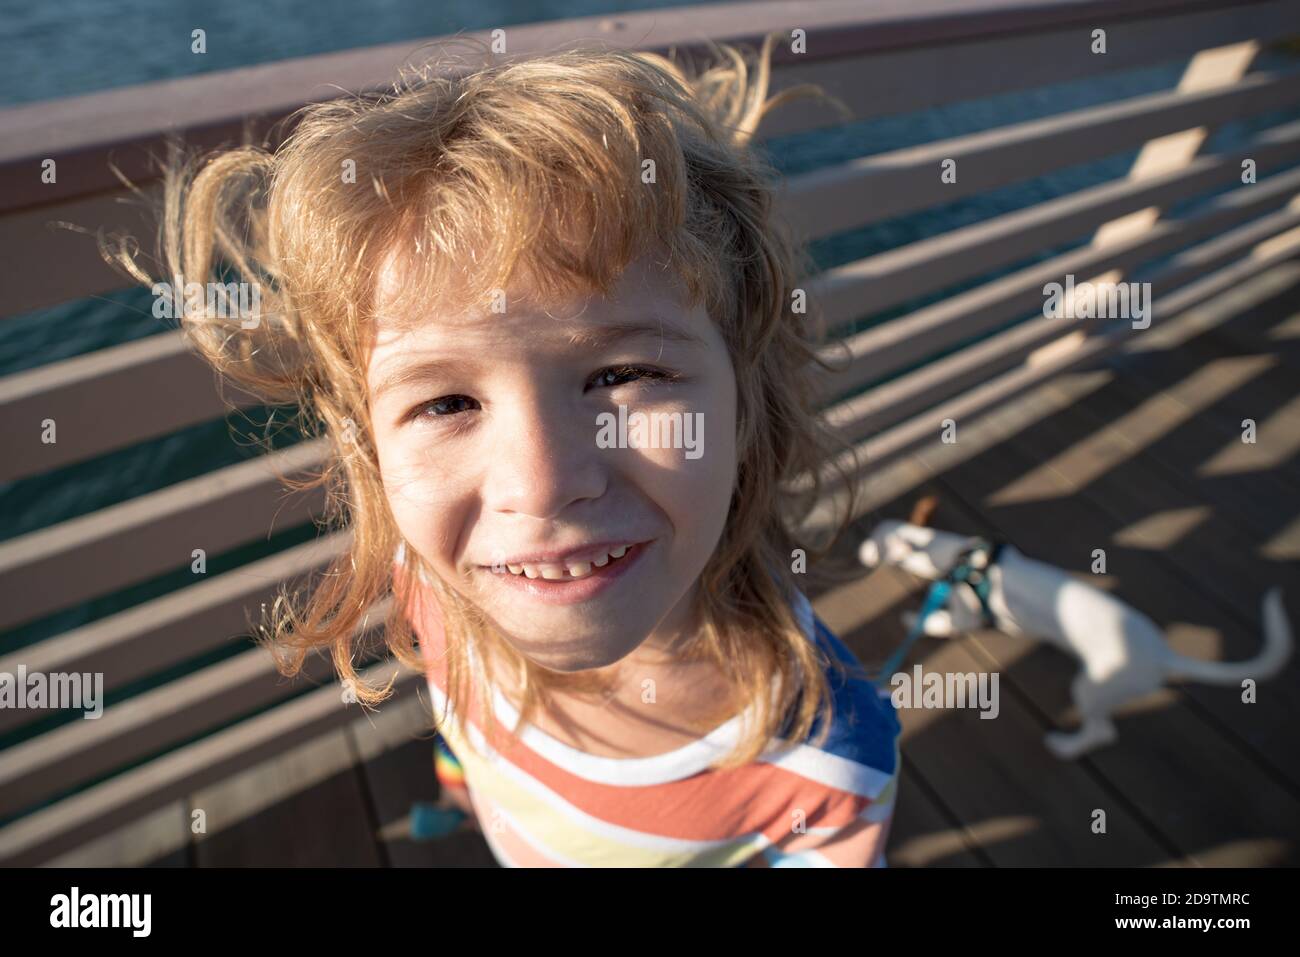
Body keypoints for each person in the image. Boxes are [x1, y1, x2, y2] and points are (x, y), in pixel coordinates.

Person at [106, 30, 901, 867]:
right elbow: (455, 699)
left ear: (746, 396)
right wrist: (460, 773)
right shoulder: (440, 586)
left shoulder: (825, 760)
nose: (541, 485)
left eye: (625, 372)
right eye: (446, 401)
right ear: (370, 447)